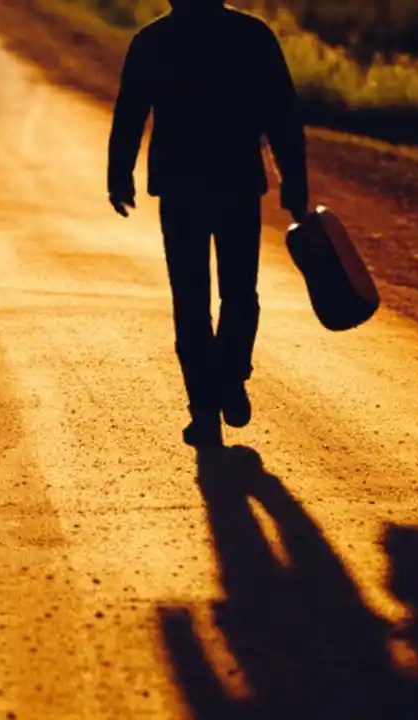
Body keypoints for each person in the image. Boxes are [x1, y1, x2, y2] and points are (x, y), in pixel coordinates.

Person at [108, 0, 310, 447]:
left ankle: (204, 407)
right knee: (239, 291)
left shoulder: (154, 41)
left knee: (192, 299)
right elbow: (283, 116)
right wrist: (293, 182)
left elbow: (130, 112)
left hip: (181, 189)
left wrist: (119, 175)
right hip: (236, 183)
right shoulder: (251, 36)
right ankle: (230, 377)